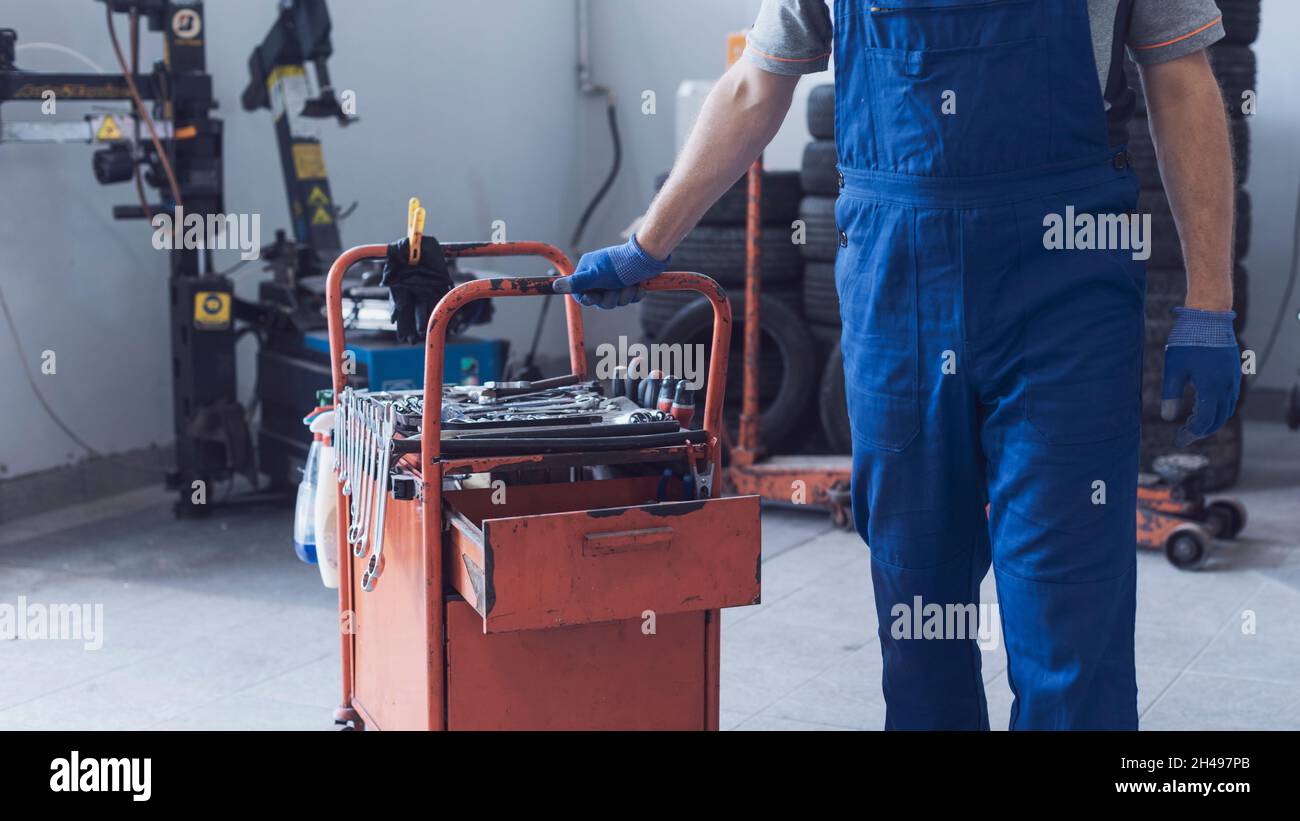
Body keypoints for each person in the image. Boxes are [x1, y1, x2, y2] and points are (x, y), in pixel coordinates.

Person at [554, 0, 1240, 730]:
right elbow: (757, 85)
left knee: (1068, 615)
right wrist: (649, 242)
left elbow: (1181, 75)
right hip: (899, 299)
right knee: (920, 617)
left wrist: (1209, 302)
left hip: (1065, 295)